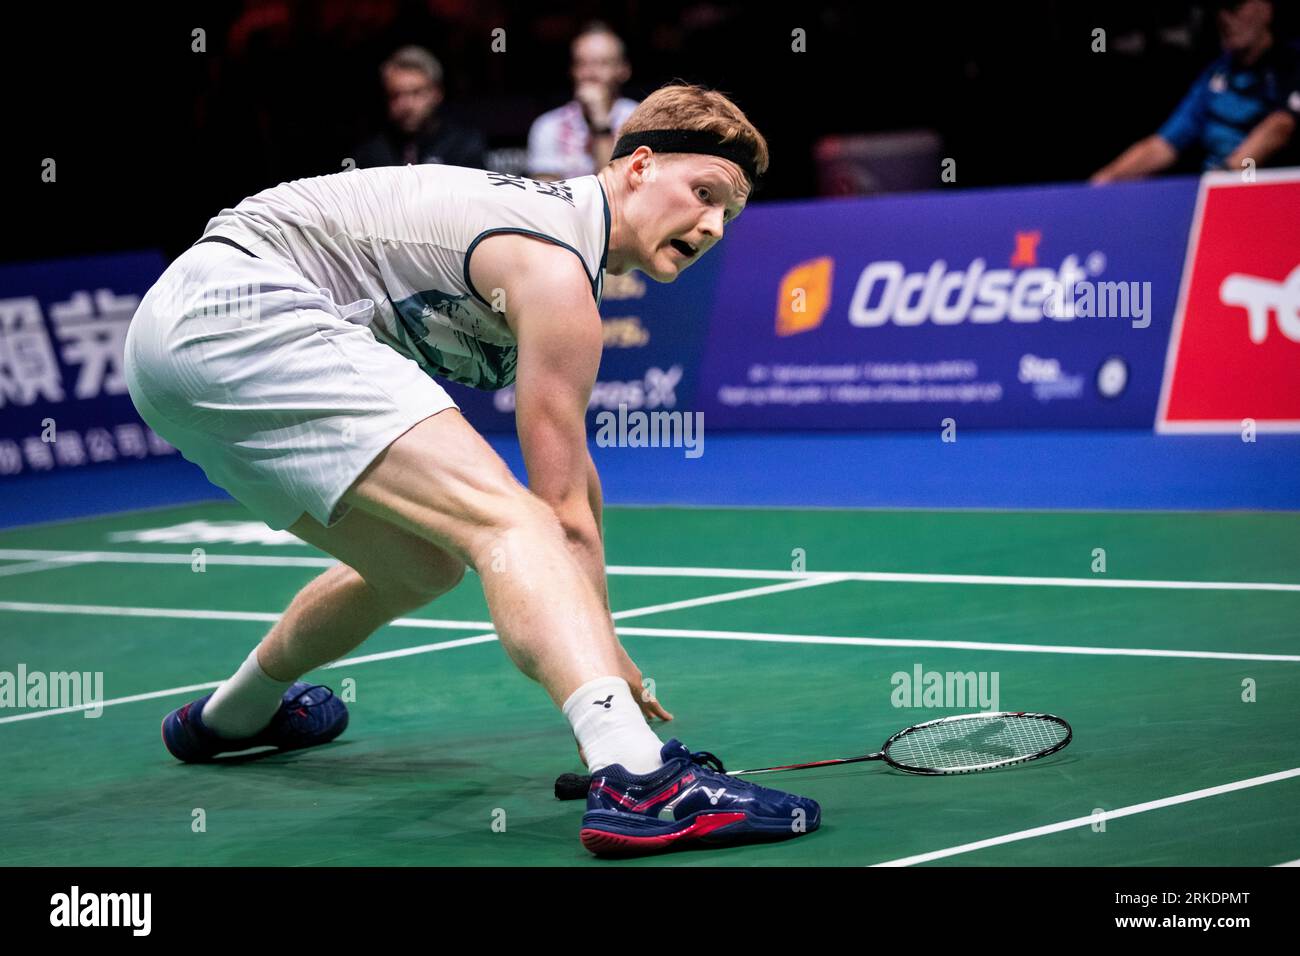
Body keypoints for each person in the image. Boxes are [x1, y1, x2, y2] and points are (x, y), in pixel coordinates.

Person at [124, 82, 820, 856]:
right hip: (248, 303)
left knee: (421, 566)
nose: (713, 225)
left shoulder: (558, 249)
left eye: (729, 213)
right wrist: (609, 683)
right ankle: (642, 783)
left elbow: (575, 484)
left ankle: (232, 716)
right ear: (637, 165)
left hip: (169, 353)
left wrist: (605, 645)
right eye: (703, 193)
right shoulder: (554, 263)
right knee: (505, 519)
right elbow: (551, 514)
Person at [1091, 0, 1299, 183]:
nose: (1224, 18)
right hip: (1216, 188)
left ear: (1265, 8)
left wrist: (1229, 172)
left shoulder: (1292, 63)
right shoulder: (1216, 73)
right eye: (1219, 9)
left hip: (1270, 193)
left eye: (1234, 7)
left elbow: (1280, 126)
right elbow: (1164, 145)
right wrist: (1106, 178)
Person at [527, 22, 638, 180]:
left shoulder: (640, 120)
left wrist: (601, 124)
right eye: (582, 63)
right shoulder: (548, 125)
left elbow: (621, 190)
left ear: (624, 70)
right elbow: (545, 195)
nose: (591, 73)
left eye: (602, 63)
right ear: (572, 71)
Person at [353, 46, 487, 169]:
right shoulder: (371, 154)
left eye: (416, 92)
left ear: (437, 93)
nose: (406, 104)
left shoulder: (463, 146)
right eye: (396, 95)